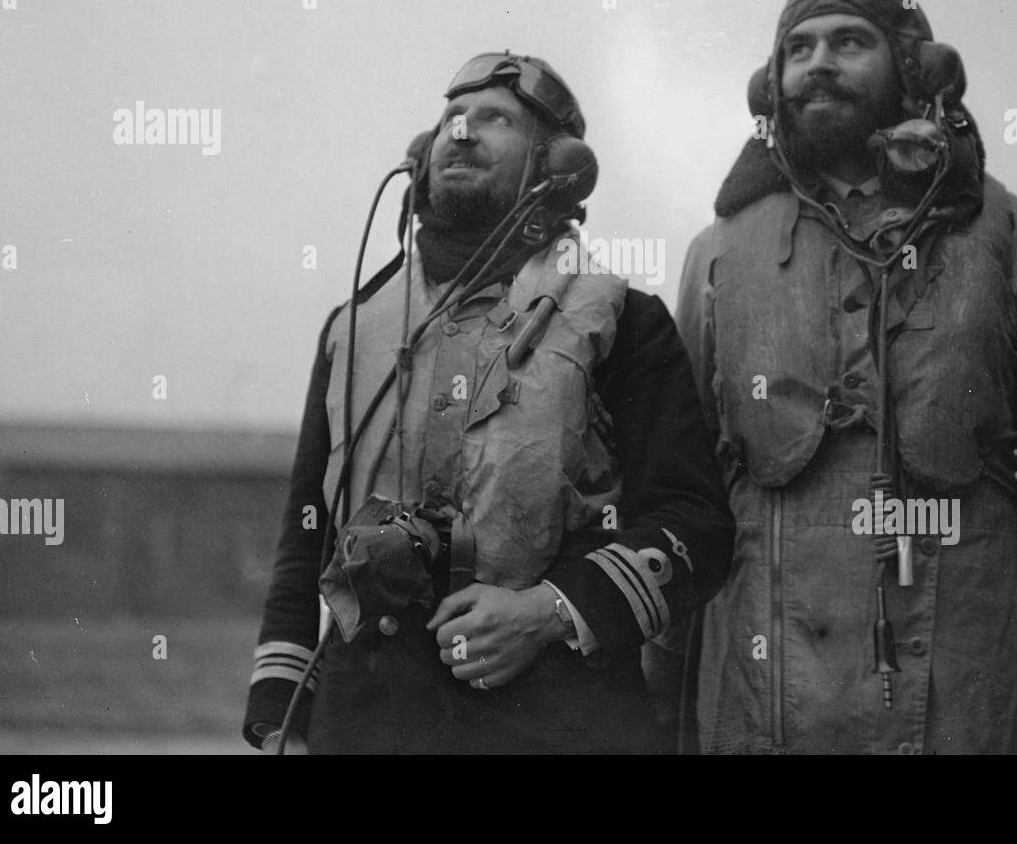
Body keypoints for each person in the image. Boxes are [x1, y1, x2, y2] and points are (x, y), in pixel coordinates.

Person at [673, 0, 1017, 754]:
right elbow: (684, 491)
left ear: (912, 67)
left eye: (849, 40)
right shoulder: (718, 254)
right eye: (797, 48)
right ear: (771, 83)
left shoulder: (1008, 235)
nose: (819, 62)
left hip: (964, 688)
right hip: (762, 694)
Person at [243, 51, 734, 754]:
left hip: (560, 719)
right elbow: (307, 530)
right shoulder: (356, 324)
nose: (462, 132)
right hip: (366, 720)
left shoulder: (622, 323)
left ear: (558, 166)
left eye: (494, 119)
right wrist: (279, 715)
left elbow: (698, 522)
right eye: (449, 119)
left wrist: (547, 610)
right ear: (420, 159)